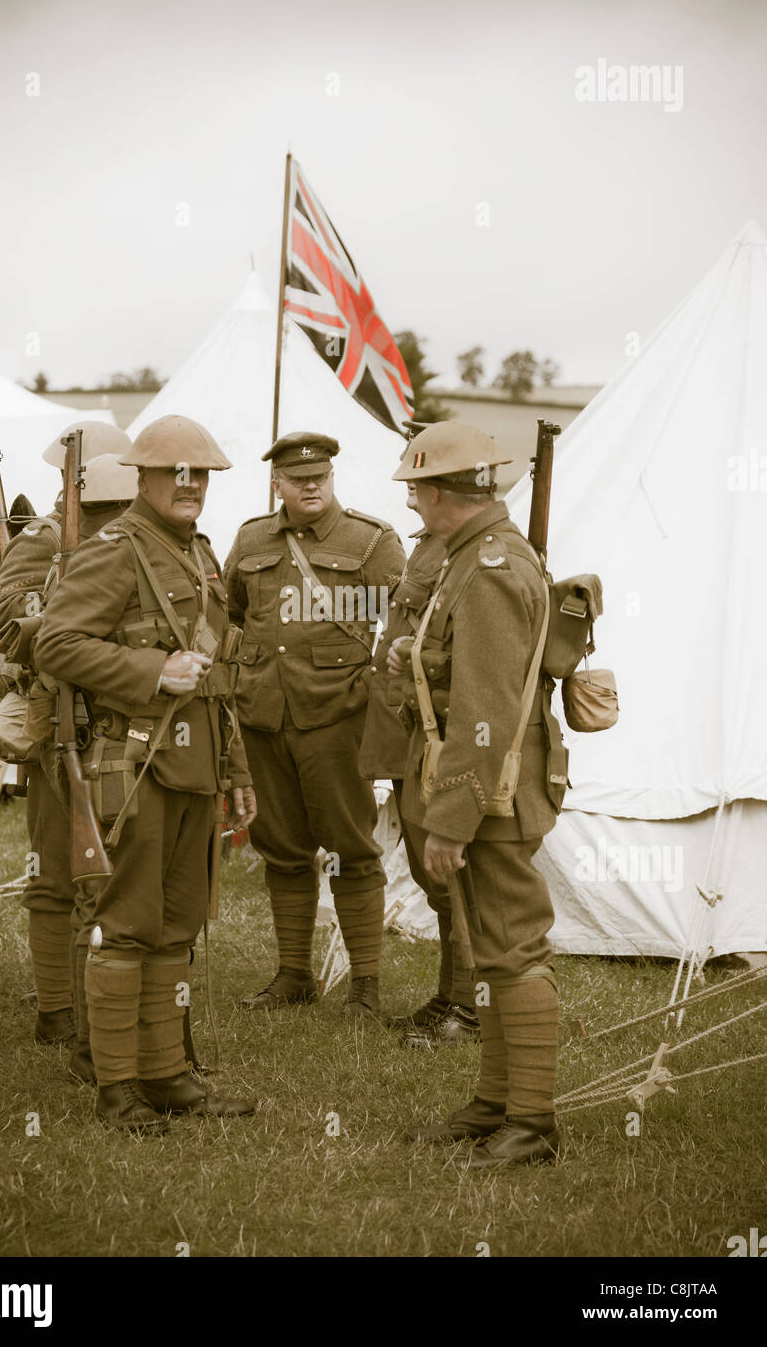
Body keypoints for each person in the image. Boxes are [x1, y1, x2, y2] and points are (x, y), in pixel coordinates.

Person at [35, 415, 257, 1133]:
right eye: (176, 473)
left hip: (194, 766)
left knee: (177, 927)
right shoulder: (115, 550)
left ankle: (166, 1074)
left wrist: (236, 768)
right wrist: (150, 670)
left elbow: (219, 676)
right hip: (131, 767)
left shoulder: (199, 553)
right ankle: (117, 1085)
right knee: (125, 926)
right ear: (144, 477)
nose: (190, 485)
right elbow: (57, 644)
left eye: (202, 473)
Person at [388, 420, 566, 1168]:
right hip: (487, 785)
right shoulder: (471, 555)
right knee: (494, 950)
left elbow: (487, 711)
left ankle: (532, 1124)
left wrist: (451, 820)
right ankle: (497, 1104)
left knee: (513, 949)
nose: (413, 506)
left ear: (436, 491)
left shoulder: (488, 567)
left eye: (416, 491)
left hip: (492, 790)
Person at [223, 432, 405, 1017]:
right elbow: (228, 618)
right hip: (263, 715)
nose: (310, 486)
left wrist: (378, 693)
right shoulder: (252, 538)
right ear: (276, 483)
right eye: (298, 479)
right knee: (281, 848)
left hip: (337, 718)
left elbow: (407, 623)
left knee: (352, 847)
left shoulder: (372, 541)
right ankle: (294, 975)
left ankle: (365, 987)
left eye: (319, 477)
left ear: (331, 478)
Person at [0, 423, 133, 1060]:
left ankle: (110, 1015)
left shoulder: (144, 536)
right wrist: (61, 614)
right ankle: (56, 1011)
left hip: (131, 720)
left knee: (121, 874)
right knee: (55, 868)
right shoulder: (44, 538)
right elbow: (4, 618)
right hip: (60, 720)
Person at [358, 482, 480, 1047]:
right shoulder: (431, 545)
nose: (407, 501)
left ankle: (471, 1011)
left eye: (416, 488)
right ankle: (449, 998)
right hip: (412, 735)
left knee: (463, 883)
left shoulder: (476, 554)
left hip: (447, 738)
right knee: (439, 886)